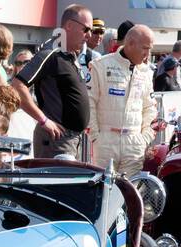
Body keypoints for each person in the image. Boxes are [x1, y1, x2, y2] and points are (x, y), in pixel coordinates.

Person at [11, 5, 93, 158]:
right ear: (69, 25)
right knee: (55, 182)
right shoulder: (50, 53)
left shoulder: (69, 55)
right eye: (86, 29)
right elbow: (17, 86)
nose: (89, 35)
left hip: (73, 139)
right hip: (57, 140)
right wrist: (43, 120)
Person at [88, 23, 156, 175]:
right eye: (145, 48)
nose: (148, 53)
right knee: (104, 192)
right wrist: (96, 137)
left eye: (150, 48)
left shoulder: (146, 72)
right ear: (130, 44)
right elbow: (89, 103)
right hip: (105, 142)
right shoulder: (101, 65)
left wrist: (144, 138)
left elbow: (150, 108)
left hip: (134, 144)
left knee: (129, 193)